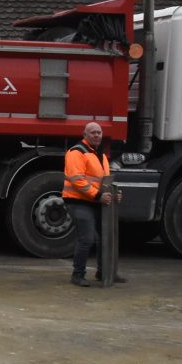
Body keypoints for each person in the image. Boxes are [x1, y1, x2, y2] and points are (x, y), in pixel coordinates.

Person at [63, 121, 124, 287]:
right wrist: (98, 196)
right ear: (85, 135)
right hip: (78, 201)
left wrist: (114, 193)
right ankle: (77, 275)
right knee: (87, 239)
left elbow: (104, 181)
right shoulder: (77, 152)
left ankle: (104, 273)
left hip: (93, 201)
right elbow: (78, 180)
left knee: (106, 237)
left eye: (99, 132)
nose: (97, 135)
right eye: (93, 132)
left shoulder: (100, 155)